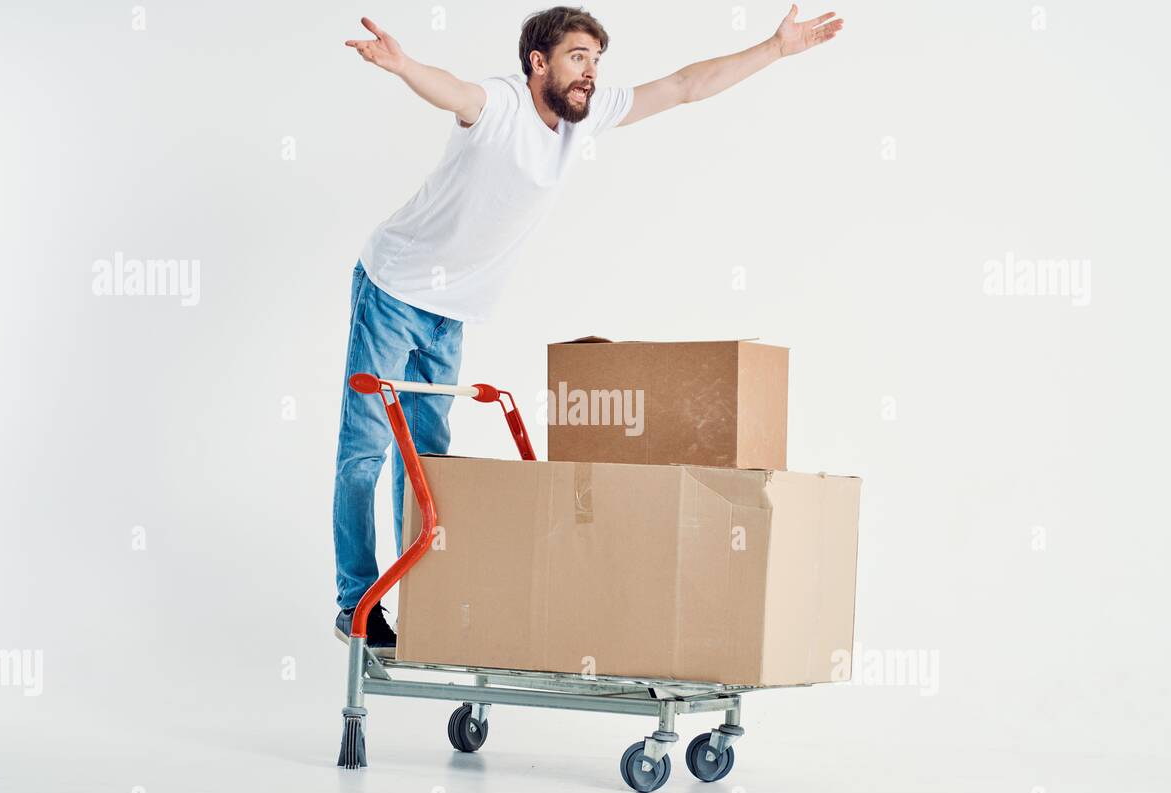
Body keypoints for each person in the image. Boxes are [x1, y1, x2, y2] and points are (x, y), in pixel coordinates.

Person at [333, 5, 844, 647]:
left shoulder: (584, 117)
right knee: (365, 453)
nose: (591, 74)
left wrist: (773, 48)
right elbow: (454, 92)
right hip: (393, 288)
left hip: (453, 311)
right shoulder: (502, 104)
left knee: (428, 463)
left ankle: (428, 600)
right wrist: (403, 65)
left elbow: (684, 86)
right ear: (537, 63)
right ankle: (355, 603)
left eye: (597, 61)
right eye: (578, 58)